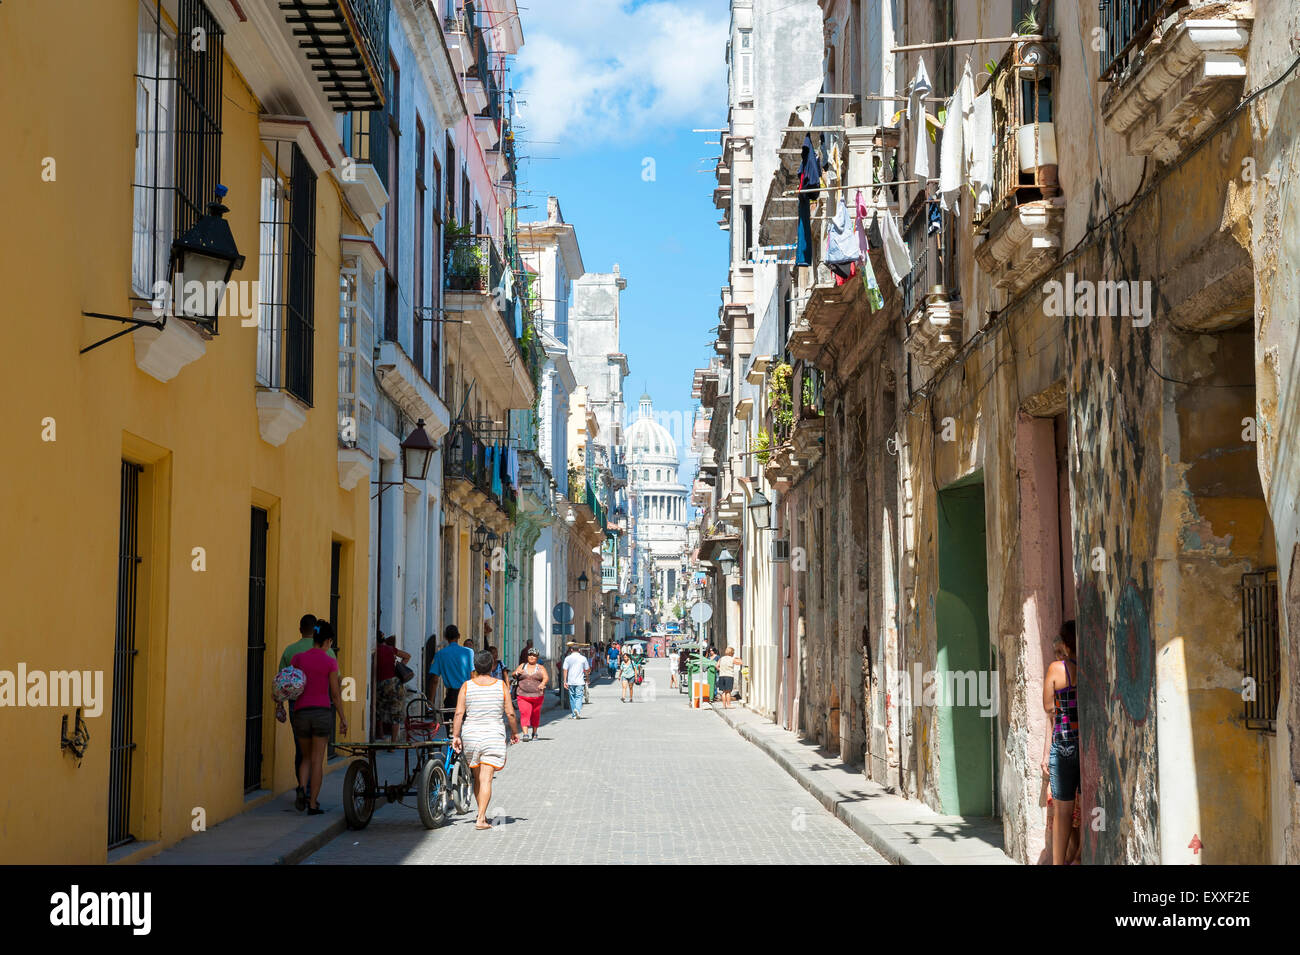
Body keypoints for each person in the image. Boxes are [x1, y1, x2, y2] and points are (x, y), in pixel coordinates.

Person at [452, 650, 521, 830]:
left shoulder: (466, 686)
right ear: (492, 666)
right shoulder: (500, 686)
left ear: (474, 666)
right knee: (486, 778)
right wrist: (515, 732)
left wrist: (456, 735)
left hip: (471, 735)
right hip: (493, 735)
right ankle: (481, 818)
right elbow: (510, 713)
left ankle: (480, 812)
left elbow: (459, 713)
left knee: (477, 777)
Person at [275, 613, 335, 809]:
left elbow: (282, 682)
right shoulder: (329, 654)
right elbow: (337, 684)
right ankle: (311, 797)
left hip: (297, 707)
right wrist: (341, 714)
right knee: (317, 757)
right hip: (321, 709)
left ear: (301, 629)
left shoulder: (291, 652)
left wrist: (279, 705)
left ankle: (301, 787)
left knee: (302, 751)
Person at [291, 620, 348, 814]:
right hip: (322, 713)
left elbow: (291, 683)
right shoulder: (330, 661)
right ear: (328, 640)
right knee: (317, 760)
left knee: (305, 757)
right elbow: (335, 694)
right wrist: (343, 718)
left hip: (301, 712)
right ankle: (313, 804)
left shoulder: (298, 659)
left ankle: (300, 787)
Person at [1042, 621, 1080, 866]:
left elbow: (1048, 707)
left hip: (1064, 743)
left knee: (1063, 811)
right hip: (1087, 746)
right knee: (1091, 809)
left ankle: (1058, 864)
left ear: (1065, 644)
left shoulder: (1057, 668)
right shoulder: (1091, 668)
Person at [429, 624, 474, 717]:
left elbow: (434, 680)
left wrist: (430, 701)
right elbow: (473, 675)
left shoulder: (440, 654)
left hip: (451, 695)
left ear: (445, 637)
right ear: (459, 636)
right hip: (467, 693)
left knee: (449, 723)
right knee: (466, 723)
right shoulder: (469, 652)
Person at [375, 634, 411, 742]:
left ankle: (380, 735)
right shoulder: (391, 649)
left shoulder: (374, 650)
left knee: (379, 710)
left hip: (380, 683)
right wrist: (399, 666)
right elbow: (407, 656)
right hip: (394, 683)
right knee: (396, 713)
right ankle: (393, 742)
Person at [512, 646, 548, 740]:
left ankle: (535, 733)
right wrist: (517, 673)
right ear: (527, 656)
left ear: (537, 657)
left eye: (534, 655)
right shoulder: (522, 666)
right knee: (525, 713)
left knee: (535, 714)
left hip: (537, 696)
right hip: (523, 695)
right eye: (530, 655)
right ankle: (525, 734)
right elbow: (513, 674)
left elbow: (546, 677)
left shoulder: (540, 668)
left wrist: (543, 683)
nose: (532, 657)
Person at [562, 643, 590, 718]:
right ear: (579, 650)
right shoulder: (583, 658)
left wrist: (565, 681)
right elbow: (587, 670)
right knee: (579, 696)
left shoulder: (567, 658)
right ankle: (577, 710)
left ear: (571, 650)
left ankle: (574, 714)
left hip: (571, 681)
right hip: (580, 681)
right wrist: (587, 679)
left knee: (572, 697)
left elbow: (565, 670)